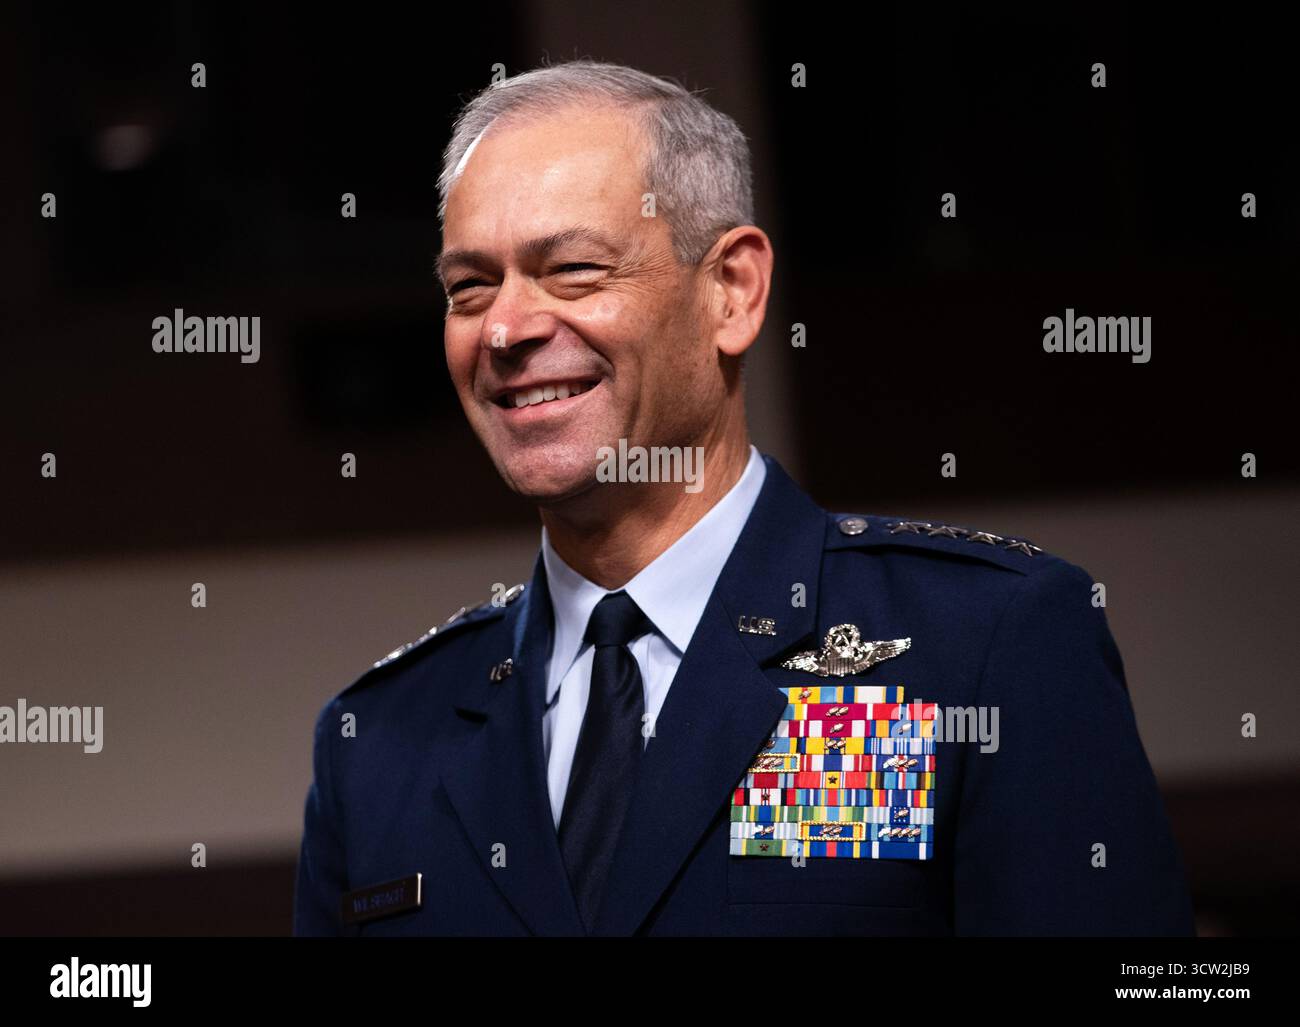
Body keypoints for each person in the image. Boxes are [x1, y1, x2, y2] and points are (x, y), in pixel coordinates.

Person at [293, 59, 1194, 937]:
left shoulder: (981, 645)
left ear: (733, 291)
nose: (505, 327)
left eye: (572, 269)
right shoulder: (377, 741)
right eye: (469, 286)